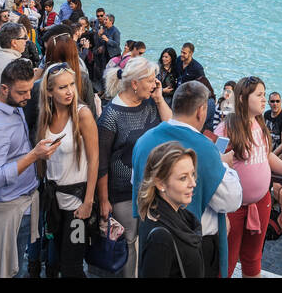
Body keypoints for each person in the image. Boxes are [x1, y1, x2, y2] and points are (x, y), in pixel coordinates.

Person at [131, 80, 240, 278]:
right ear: (201, 111)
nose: (192, 182)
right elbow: (232, 200)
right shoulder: (206, 149)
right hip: (193, 243)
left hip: (150, 230)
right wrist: (224, 164)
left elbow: (136, 184)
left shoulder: (143, 140)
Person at [0, 57, 58, 278]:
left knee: (16, 266)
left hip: (23, 203)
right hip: (7, 208)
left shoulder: (12, 104)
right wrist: (34, 155)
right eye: (22, 92)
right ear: (4, 88)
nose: (28, 97)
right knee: (5, 271)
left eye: (30, 90)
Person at [96, 56, 170, 278]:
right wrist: (104, 200)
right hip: (123, 192)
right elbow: (101, 162)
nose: (155, 83)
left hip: (150, 188)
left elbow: (170, 126)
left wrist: (158, 99)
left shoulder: (149, 104)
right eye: (150, 80)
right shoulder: (111, 116)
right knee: (128, 241)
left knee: (147, 238)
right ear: (135, 83)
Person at [214, 75, 282, 278]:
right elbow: (211, 159)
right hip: (233, 208)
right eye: (259, 95)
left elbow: (267, 158)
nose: (264, 100)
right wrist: (224, 159)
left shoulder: (261, 126)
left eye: (264, 95)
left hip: (261, 203)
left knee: (253, 257)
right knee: (227, 261)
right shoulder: (226, 128)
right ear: (242, 99)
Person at [36, 61, 99, 278]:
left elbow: (94, 159)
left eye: (72, 84)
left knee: (72, 266)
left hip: (76, 205)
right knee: (55, 260)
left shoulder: (83, 115)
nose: (69, 91)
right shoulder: (45, 114)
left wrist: (88, 202)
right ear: (50, 91)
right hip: (53, 204)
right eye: (62, 87)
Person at [135, 141, 204, 278]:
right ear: (160, 183)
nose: (193, 183)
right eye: (183, 178)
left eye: (192, 174)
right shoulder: (160, 237)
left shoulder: (180, 215)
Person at [0, 22, 30, 103]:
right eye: (24, 37)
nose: (27, 40)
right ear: (14, 42)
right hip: (9, 113)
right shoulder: (22, 64)